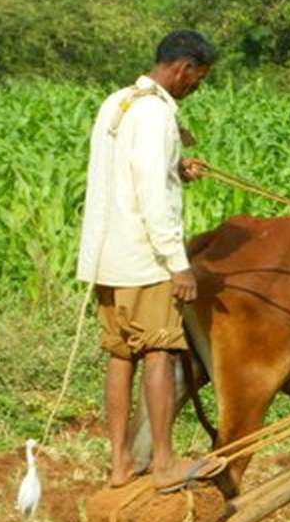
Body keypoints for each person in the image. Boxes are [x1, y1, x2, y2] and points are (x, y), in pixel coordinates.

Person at [75, 30, 215, 488]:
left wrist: (178, 168)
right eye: (198, 79)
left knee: (121, 355)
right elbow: (153, 197)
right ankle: (162, 464)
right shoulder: (155, 115)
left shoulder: (118, 102)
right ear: (183, 69)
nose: (196, 88)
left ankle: (119, 465)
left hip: (107, 256)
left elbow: (130, 169)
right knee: (160, 351)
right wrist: (177, 262)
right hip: (144, 257)